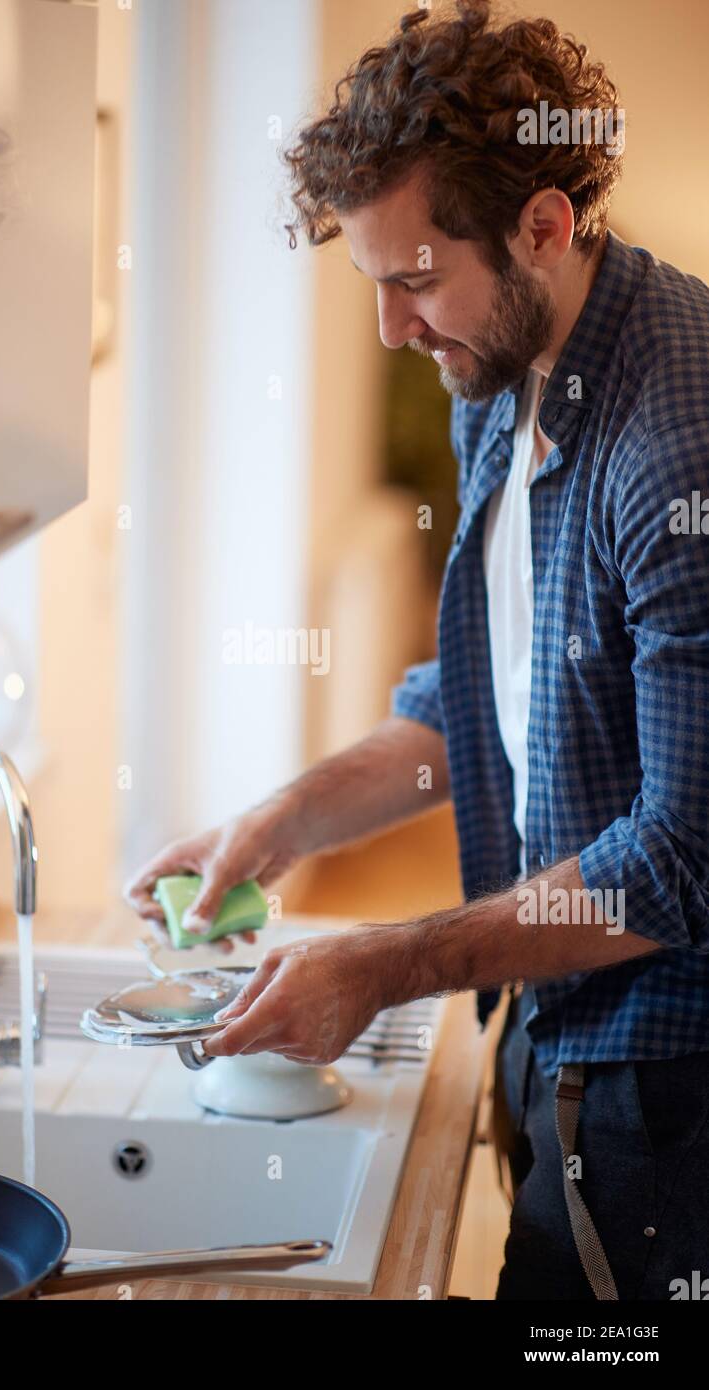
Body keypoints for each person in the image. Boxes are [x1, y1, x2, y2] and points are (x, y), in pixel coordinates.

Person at [126, 1, 709, 1300]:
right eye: (369, 281)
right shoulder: (500, 371)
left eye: (414, 278)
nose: (393, 329)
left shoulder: (675, 441)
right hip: (556, 1041)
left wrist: (387, 959)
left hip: (666, 1102)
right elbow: (477, 700)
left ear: (544, 227)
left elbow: (682, 858)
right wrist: (276, 824)